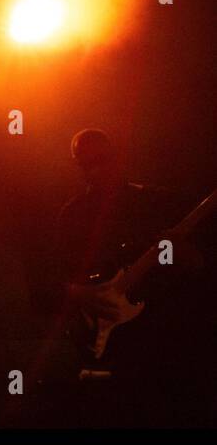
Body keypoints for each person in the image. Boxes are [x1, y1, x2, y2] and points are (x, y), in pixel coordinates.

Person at [44, 129, 216, 426]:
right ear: (79, 167)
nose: (97, 169)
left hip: (170, 338)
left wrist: (180, 253)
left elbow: (200, 266)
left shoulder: (158, 202)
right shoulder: (73, 217)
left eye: (103, 159)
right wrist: (88, 297)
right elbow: (57, 284)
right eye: (88, 163)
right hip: (117, 351)